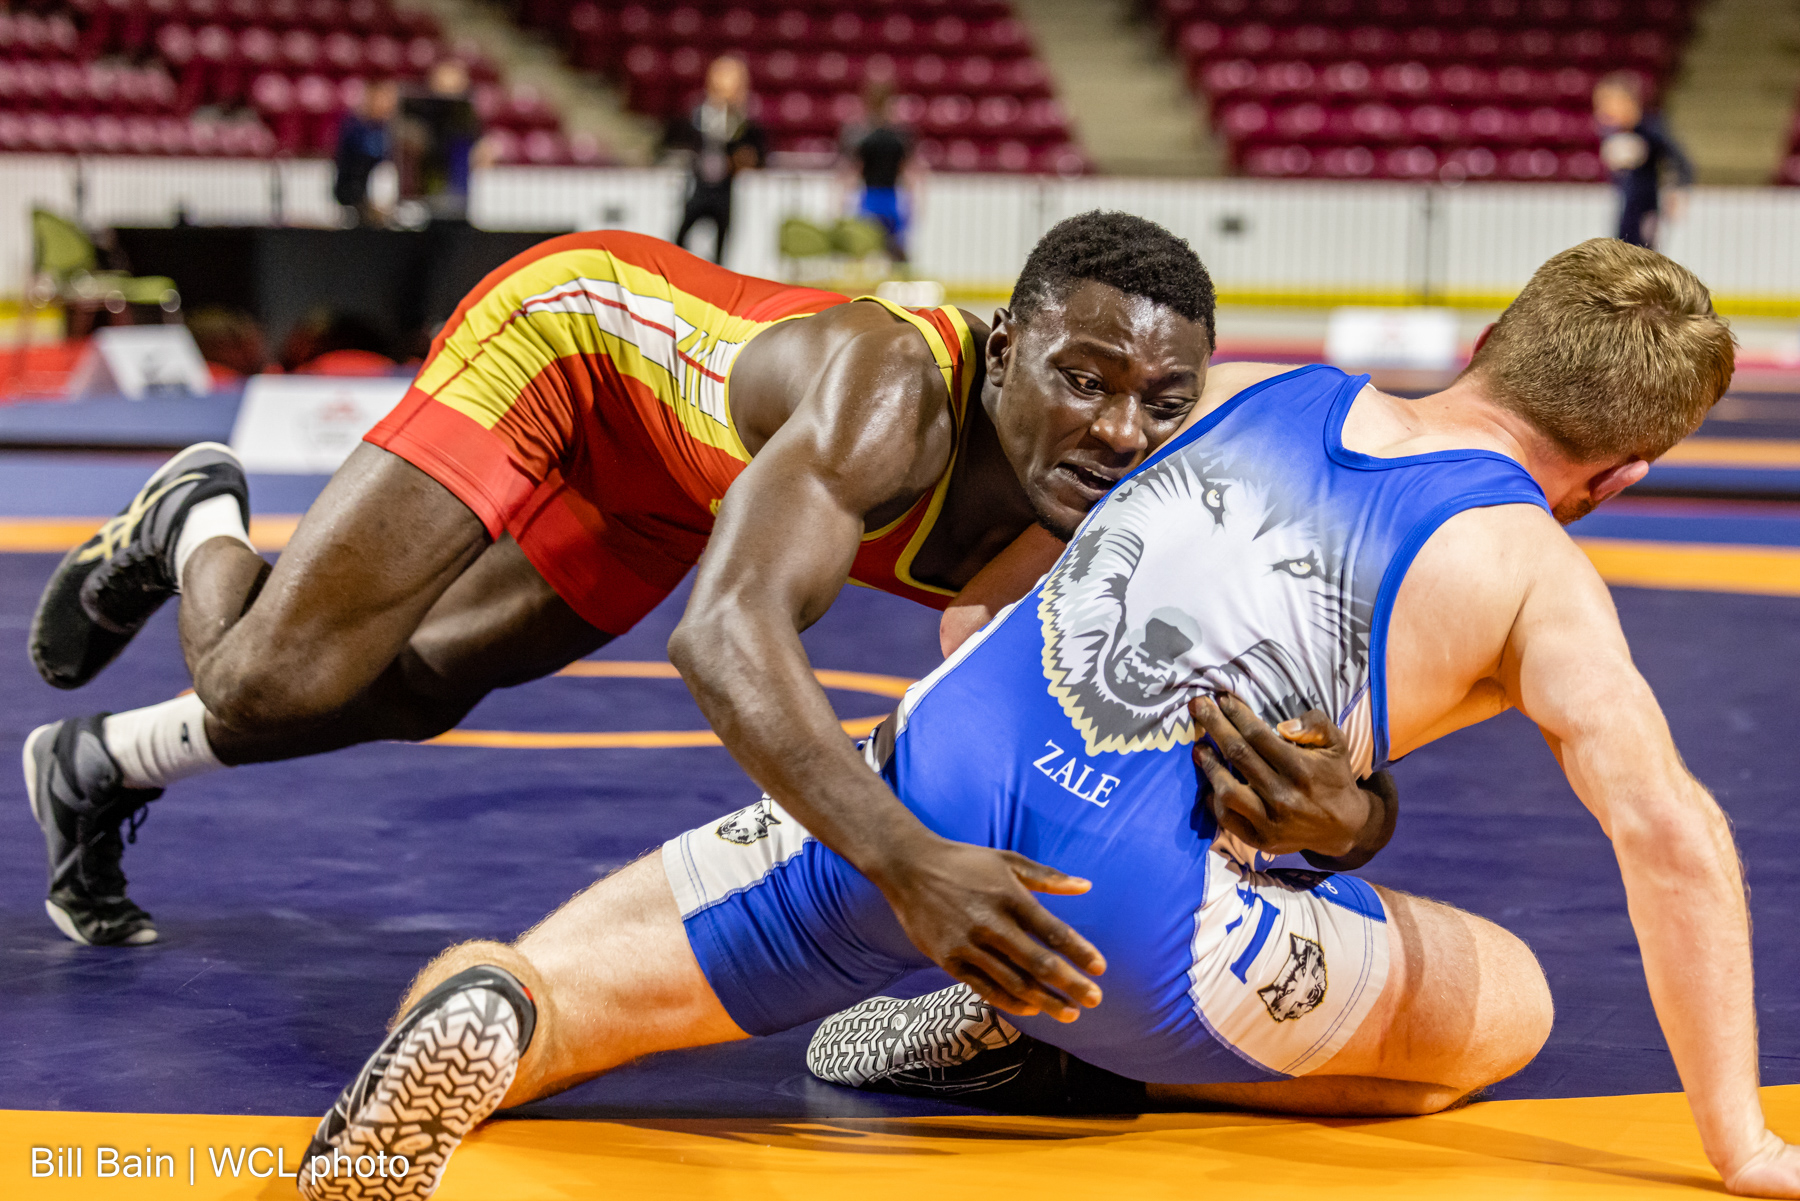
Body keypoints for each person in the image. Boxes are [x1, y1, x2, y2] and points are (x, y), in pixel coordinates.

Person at [293, 239, 1800, 1201]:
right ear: (1622, 477)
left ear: (1489, 344)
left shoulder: (1250, 391)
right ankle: (1067, 1045)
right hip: (1146, 940)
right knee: (1515, 997)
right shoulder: (1534, 563)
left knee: (545, 994)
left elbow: (992, 605)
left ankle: (496, 1019)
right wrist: (1737, 1140)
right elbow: (1672, 833)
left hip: (917, 795)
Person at [25, 218, 1392, 1021]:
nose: (1114, 430)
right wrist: (905, 858)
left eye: (1160, 403)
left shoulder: (1122, 507)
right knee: (274, 680)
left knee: (414, 687)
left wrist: (1348, 820)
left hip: (681, 491)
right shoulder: (892, 396)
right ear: (1001, 344)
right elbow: (725, 638)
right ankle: (197, 516)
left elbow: (1240, 723)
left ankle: (96, 768)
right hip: (574, 349)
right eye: (1083, 378)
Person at [666, 55, 765, 264]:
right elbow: (676, 140)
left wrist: (744, 159)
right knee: (681, 236)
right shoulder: (697, 114)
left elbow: (757, 151)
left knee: (721, 243)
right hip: (699, 187)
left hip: (724, 189)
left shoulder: (742, 120)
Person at [1593, 72, 1694, 250]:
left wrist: (1677, 190)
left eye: (1606, 103)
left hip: (1646, 210)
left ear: (1626, 101)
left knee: (1643, 258)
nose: (1602, 111)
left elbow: (1683, 162)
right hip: (1626, 209)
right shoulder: (1616, 132)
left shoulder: (1651, 127)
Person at [841, 79, 919, 264]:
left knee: (869, 248)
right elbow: (908, 172)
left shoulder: (869, 136)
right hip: (884, 197)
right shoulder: (894, 135)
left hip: (877, 197)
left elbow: (853, 171)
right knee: (886, 248)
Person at [398, 60, 486, 223]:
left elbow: (478, 145)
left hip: (457, 191)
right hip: (422, 188)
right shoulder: (418, 110)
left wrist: (482, 150)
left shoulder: (466, 114)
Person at [333, 78, 399, 228]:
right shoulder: (355, 129)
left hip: (387, 202)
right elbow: (352, 171)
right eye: (381, 98)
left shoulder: (391, 130)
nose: (387, 104)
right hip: (356, 201)